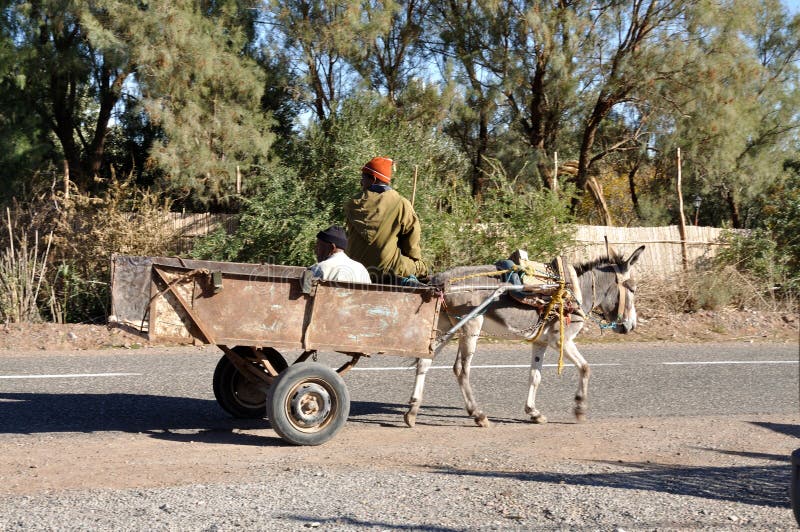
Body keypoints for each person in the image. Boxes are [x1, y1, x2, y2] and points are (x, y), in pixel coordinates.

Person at [344, 156, 429, 284]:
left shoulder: (352, 203)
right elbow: (412, 245)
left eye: (363, 178)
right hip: (387, 271)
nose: (361, 182)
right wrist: (413, 259)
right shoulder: (401, 203)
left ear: (373, 179)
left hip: (355, 269)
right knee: (421, 266)